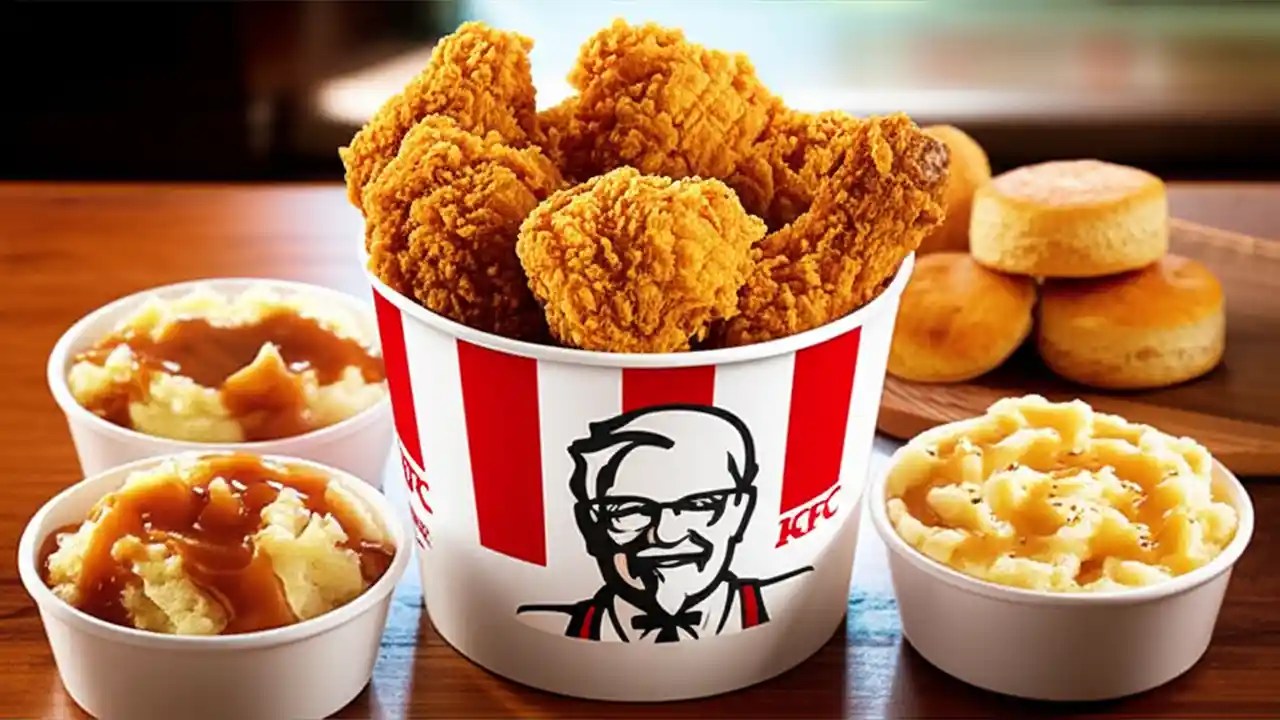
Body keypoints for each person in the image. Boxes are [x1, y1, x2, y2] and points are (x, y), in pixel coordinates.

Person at [518, 404, 811, 642]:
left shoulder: (803, 601)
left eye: (699, 505)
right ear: (589, 524)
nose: (667, 534)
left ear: (740, 511)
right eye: (630, 510)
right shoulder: (537, 628)